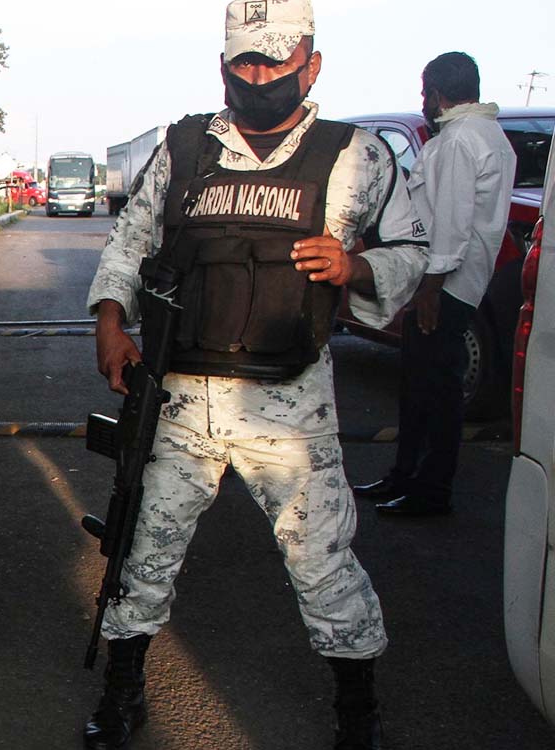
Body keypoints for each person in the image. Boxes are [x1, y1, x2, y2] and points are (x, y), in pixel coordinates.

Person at [84, 2, 430, 748]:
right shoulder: (184, 146)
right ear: (223, 65)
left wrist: (355, 264)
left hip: (291, 407)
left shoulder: (356, 156)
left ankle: (356, 712)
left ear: (312, 62)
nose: (260, 74)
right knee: (143, 552)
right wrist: (111, 320)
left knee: (323, 565)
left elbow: (412, 250)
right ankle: (121, 692)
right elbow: (128, 240)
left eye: (276, 59)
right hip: (179, 398)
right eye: (246, 60)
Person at [355, 52, 517, 517]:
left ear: (440, 93)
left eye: (426, 92)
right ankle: (404, 476)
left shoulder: (459, 141)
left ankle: (430, 491)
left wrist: (427, 289)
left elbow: (450, 223)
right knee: (420, 387)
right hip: (459, 284)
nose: (423, 101)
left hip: (443, 286)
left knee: (435, 394)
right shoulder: (489, 135)